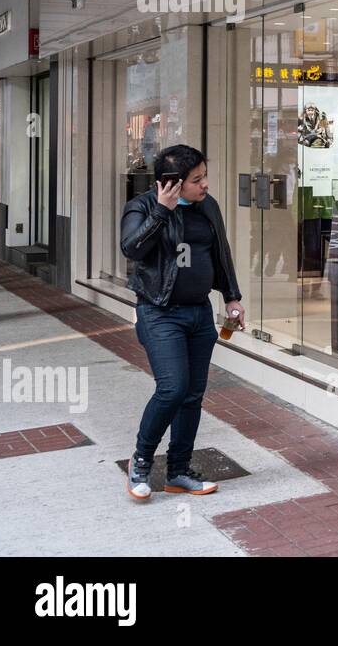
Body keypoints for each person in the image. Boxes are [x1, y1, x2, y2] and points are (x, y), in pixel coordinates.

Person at [119, 144, 244, 500]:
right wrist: (162, 211)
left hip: (199, 313)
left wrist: (231, 296)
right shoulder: (142, 207)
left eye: (205, 176)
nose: (205, 184)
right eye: (196, 179)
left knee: (191, 395)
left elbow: (220, 251)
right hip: (159, 312)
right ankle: (141, 460)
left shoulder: (208, 206)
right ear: (171, 184)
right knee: (172, 388)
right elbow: (131, 248)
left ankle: (178, 470)